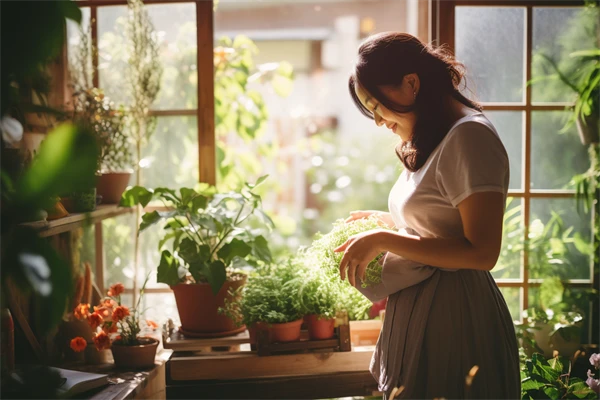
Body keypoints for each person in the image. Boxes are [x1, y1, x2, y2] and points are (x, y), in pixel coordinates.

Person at [333, 32, 520, 399]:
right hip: (427, 310)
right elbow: (440, 223)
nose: (377, 120)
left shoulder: (470, 137)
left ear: (411, 84)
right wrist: (382, 223)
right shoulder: (440, 136)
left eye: (377, 105)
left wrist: (384, 240)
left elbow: (482, 252)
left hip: (455, 315)